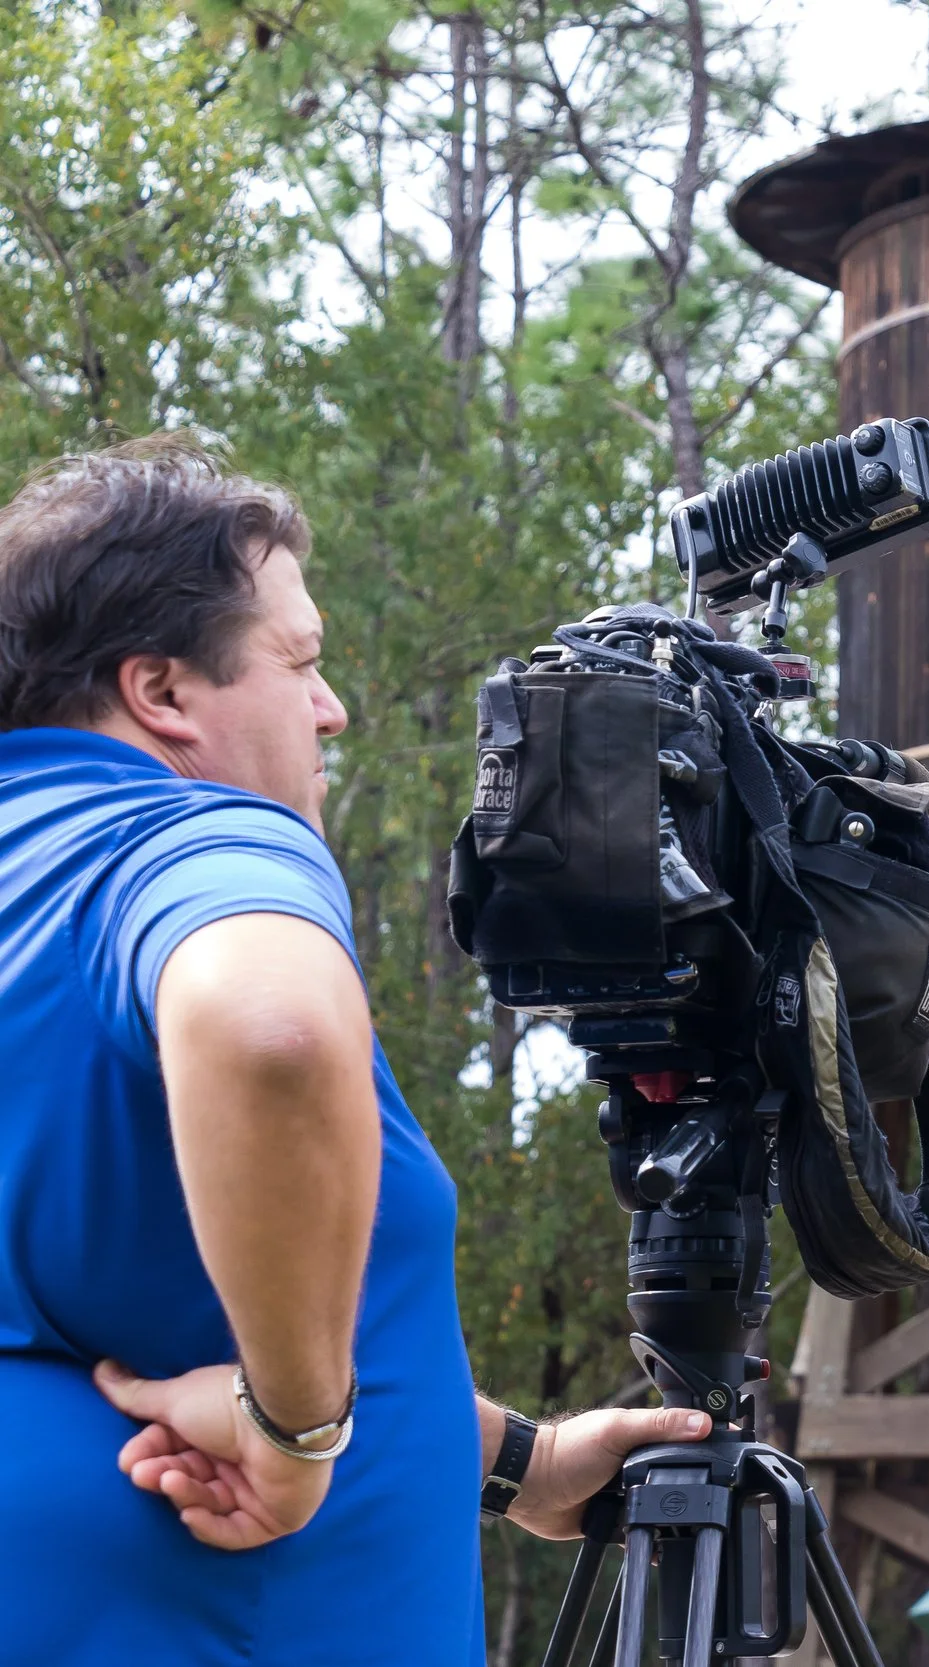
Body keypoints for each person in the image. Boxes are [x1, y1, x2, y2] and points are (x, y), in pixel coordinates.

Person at [0, 435, 703, 1664]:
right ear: (162, 694)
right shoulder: (186, 837)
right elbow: (268, 1032)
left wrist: (512, 1458)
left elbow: (109, 1309)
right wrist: (295, 1428)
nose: (330, 708)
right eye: (301, 661)